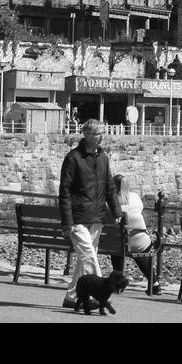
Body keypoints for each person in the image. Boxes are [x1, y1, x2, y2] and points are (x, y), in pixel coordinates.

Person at [58, 119, 122, 310]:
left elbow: (109, 185)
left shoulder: (103, 157)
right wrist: (67, 222)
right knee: (89, 257)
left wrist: (116, 209)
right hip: (78, 217)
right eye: (96, 133)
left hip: (96, 216)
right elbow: (65, 191)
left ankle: (71, 296)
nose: (100, 136)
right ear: (85, 134)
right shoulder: (73, 158)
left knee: (85, 258)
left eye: (102, 133)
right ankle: (99, 293)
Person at [110, 175, 158, 295]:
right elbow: (139, 210)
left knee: (119, 247)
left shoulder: (110, 203)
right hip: (138, 241)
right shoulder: (135, 198)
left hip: (115, 244)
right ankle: (154, 283)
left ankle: (118, 282)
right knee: (141, 250)